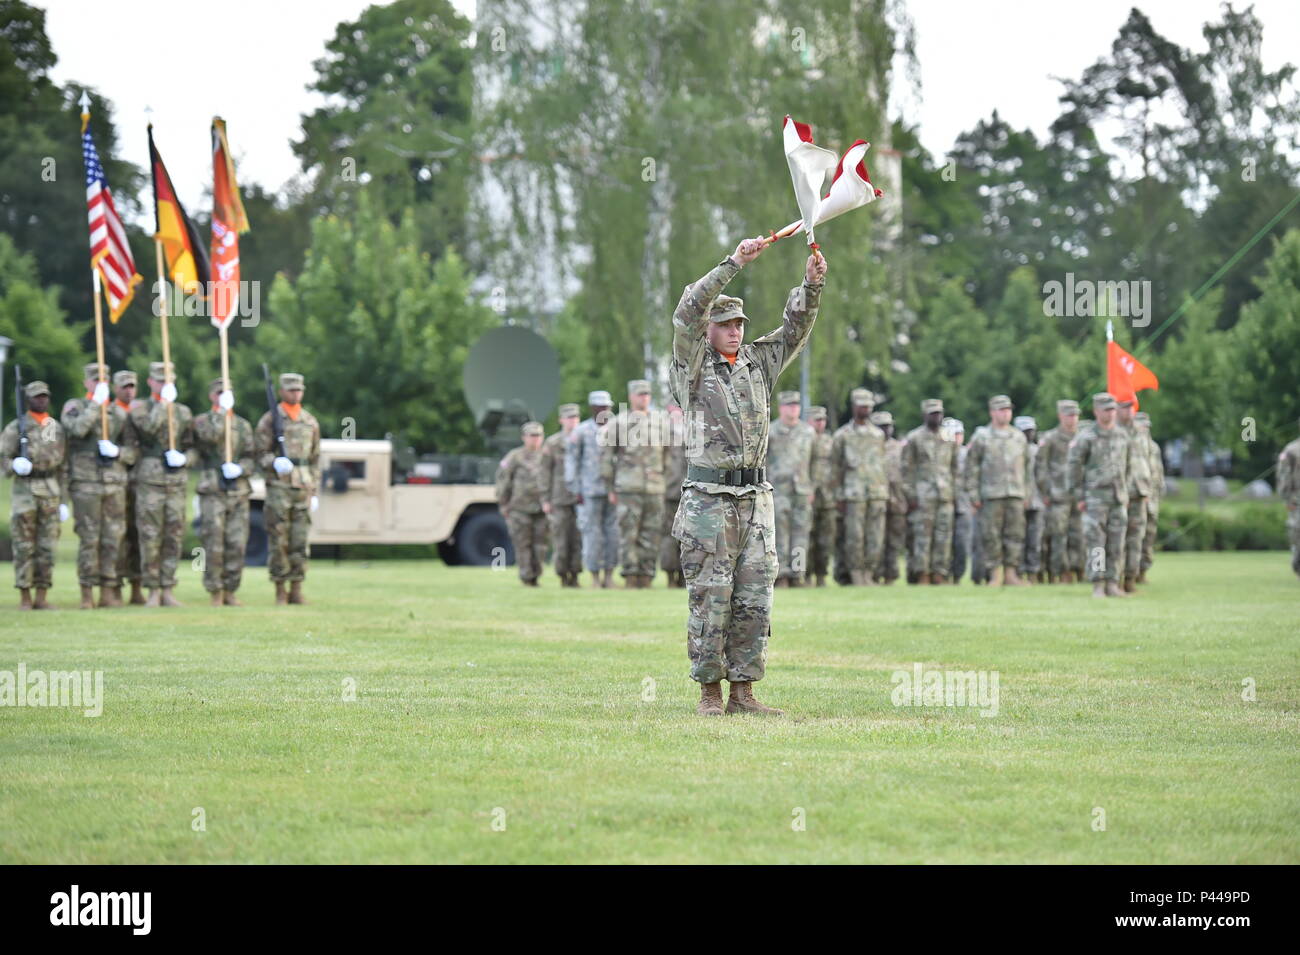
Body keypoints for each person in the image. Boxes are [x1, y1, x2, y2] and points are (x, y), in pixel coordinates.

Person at [669, 235, 825, 716]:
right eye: (725, 324)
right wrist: (734, 263)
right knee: (711, 598)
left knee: (754, 598)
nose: (735, 331)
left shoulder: (757, 362)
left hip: (756, 497)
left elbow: (793, 331)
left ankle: (744, 692)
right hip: (709, 501)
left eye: (738, 323)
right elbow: (686, 313)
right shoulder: (692, 366)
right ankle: (709, 694)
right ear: (710, 331)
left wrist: (811, 286)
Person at [62, 362, 137, 609]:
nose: (100, 383)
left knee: (113, 538)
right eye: (96, 379)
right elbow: (75, 431)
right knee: (89, 538)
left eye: (104, 379)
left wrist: (117, 452)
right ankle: (87, 592)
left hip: (114, 483)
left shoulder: (119, 414)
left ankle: (108, 590)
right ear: (86, 382)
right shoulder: (75, 407)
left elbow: (133, 452)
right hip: (86, 483)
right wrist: (95, 404)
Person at [131, 361, 193, 607]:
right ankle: (152, 589)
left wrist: (185, 458)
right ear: (150, 382)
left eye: (169, 380)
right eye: (160, 380)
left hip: (176, 480)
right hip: (150, 479)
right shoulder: (140, 409)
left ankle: (168, 587)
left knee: (173, 535)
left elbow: (193, 447)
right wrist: (162, 405)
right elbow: (147, 429)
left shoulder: (183, 413)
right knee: (150, 535)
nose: (165, 384)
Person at [255, 372, 321, 605]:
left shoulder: (310, 421)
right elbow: (259, 454)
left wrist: (314, 490)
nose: (296, 393)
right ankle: (280, 589)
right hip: (279, 486)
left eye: (299, 390)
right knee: (279, 539)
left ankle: (297, 587)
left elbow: (315, 458)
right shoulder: (270, 420)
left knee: (300, 540)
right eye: (291, 389)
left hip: (303, 486)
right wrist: (272, 462)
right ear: (282, 392)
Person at [2, 380, 66, 609]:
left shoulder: (54, 427)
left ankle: (42, 595)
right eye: (37, 396)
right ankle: (25, 597)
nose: (42, 400)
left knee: (47, 546)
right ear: (28, 400)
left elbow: (63, 467)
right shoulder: (15, 427)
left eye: (44, 396)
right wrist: (13, 465)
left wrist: (64, 501)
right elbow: (2, 458)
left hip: (50, 490)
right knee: (24, 545)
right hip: (25, 491)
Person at [191, 378, 255, 606]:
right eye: (218, 393)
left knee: (237, 543)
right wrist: (221, 414)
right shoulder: (202, 421)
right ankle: (215, 590)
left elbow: (251, 457)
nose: (222, 396)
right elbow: (209, 437)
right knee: (214, 542)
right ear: (212, 396)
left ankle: (231, 589)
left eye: (226, 392)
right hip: (213, 488)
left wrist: (240, 468)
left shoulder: (243, 425)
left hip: (237, 490)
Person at [600, 379, 668, 588]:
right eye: (640, 394)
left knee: (652, 532)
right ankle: (630, 575)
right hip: (628, 486)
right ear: (631, 396)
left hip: (654, 487)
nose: (644, 397)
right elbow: (606, 458)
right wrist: (610, 488)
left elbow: (667, 453)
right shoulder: (618, 423)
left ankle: (646, 575)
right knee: (628, 533)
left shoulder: (661, 421)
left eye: (647, 394)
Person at [964, 394, 1031, 587]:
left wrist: (1027, 492)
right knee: (991, 535)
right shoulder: (982, 436)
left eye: (1008, 409)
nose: (1006, 413)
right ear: (992, 412)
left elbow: (1028, 467)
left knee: (1015, 534)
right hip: (991, 493)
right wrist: (973, 494)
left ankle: (1011, 573)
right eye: (1002, 410)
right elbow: (972, 467)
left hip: (1015, 492)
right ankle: (995, 574)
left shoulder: (1018, 437)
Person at [1068, 392, 1130, 598]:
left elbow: (1127, 467)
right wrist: (1079, 496)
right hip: (1095, 498)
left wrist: (1126, 492)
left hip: (1118, 497)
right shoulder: (1087, 438)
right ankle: (1097, 583)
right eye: (1106, 410)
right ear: (1096, 411)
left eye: (1113, 409)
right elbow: (1074, 468)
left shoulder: (1122, 435)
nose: (1111, 414)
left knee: (1117, 542)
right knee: (1096, 543)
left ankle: (1113, 582)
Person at [831, 388, 887, 586]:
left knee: (875, 535)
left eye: (868, 406)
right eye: (862, 406)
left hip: (876, 492)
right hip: (853, 494)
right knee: (854, 536)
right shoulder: (843, 435)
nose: (866, 409)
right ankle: (855, 574)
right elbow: (835, 468)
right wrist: (838, 496)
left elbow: (882, 464)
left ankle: (869, 573)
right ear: (854, 407)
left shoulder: (878, 435)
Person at [902, 399, 958, 585]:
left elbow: (955, 467)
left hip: (945, 494)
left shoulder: (948, 436)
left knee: (943, 535)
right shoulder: (915, 438)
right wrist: (910, 494)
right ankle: (922, 573)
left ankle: (939, 573)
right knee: (922, 536)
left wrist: (955, 491)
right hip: (923, 495)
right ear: (924, 415)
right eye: (933, 413)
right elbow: (907, 469)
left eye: (939, 413)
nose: (937, 416)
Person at [567, 390, 618, 588]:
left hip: (612, 491)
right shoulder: (581, 431)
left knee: (612, 533)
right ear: (592, 408)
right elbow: (572, 462)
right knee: (592, 534)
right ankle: (595, 576)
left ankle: (609, 575)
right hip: (589, 491)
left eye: (607, 407)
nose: (604, 410)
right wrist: (575, 489)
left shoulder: (617, 430)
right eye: (600, 407)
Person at [767, 390, 815, 587]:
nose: (793, 409)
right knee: (779, 532)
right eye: (789, 405)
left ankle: (798, 574)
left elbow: (816, 462)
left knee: (801, 533)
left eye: (796, 405)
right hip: (779, 489)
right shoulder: (771, 431)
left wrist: (813, 486)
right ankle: (781, 575)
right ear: (781, 408)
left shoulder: (808, 432)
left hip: (802, 490)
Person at [496, 421, 549, 586]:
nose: (535, 439)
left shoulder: (547, 455)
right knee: (522, 544)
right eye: (532, 436)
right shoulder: (515, 456)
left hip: (542, 508)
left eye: (538, 435)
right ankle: (526, 577)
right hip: (519, 508)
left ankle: (536, 575)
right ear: (524, 437)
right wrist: (503, 504)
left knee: (540, 545)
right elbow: (503, 481)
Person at [1037, 399, 1082, 583]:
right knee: (1058, 535)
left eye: (1075, 415)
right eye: (1068, 415)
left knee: (1080, 536)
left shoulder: (1083, 438)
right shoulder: (1050, 438)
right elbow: (1041, 467)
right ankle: (1061, 572)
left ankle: (1081, 569)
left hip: (1081, 496)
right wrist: (1046, 491)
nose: (1072, 419)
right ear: (1060, 416)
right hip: (1058, 494)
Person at [541, 403, 583, 587]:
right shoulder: (553, 443)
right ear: (561, 420)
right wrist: (545, 498)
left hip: (581, 498)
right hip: (559, 498)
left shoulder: (585, 439)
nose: (571, 421)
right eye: (568, 417)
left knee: (578, 540)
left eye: (574, 417)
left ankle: (575, 575)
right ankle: (562, 576)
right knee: (560, 539)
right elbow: (544, 472)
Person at [112, 369, 145, 604]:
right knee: (116, 537)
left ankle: (137, 587)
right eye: (124, 386)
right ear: (115, 388)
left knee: (138, 536)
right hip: (114, 483)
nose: (129, 390)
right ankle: (113, 587)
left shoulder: (142, 411)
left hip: (141, 482)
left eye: (132, 386)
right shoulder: (107, 412)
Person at [1117, 399, 1152, 594]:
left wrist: (1147, 489)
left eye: (1131, 407)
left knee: (1136, 538)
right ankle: (1114, 580)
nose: (1128, 411)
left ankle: (1131, 579)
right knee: (1116, 539)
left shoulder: (1141, 432)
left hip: (1139, 492)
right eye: (1124, 407)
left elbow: (1146, 461)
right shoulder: (1114, 432)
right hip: (1119, 493)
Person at [804, 405, 836, 587]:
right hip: (807, 494)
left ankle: (822, 575)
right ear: (809, 420)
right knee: (807, 537)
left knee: (826, 538)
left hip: (827, 496)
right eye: (817, 419)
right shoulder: (803, 439)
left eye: (823, 420)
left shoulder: (829, 441)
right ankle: (805, 575)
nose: (820, 423)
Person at [874, 410, 907, 585]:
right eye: (882, 427)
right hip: (876, 498)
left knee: (894, 540)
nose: (886, 430)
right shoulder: (870, 446)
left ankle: (891, 575)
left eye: (888, 426)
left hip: (896, 498)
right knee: (876, 538)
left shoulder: (899, 448)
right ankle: (874, 573)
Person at [659, 404, 688, 588]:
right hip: (669, 491)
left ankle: (685, 576)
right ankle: (670, 575)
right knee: (669, 534)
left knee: (689, 536)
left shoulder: (693, 434)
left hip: (690, 492)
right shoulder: (662, 435)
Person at [1136, 412, 1164, 583]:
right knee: (1133, 537)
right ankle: (1129, 573)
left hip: (1152, 501)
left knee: (1149, 537)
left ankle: (1143, 572)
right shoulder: (1131, 446)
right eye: (1141, 425)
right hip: (1136, 499)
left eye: (1146, 426)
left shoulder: (1153, 448)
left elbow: (1158, 474)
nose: (1144, 429)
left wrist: (1158, 494)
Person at [1016, 415, 1044, 584]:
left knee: (1035, 539)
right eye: (1026, 431)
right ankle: (1018, 572)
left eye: (1031, 431)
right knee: (1017, 538)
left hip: (1037, 500)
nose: (1029, 434)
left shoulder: (1038, 450)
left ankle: (1033, 572)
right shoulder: (1013, 450)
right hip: (1018, 500)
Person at [947, 418, 972, 584]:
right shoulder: (940, 454)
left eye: (958, 434)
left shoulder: (969, 455)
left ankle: (957, 575)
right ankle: (942, 575)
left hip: (963, 505)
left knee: (961, 543)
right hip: (943, 503)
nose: (956, 437)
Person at [1280, 422, 1300, 581]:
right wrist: (1286, 497)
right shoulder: (1292, 450)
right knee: (1296, 532)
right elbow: (1284, 475)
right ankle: (1297, 561)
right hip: (1297, 500)